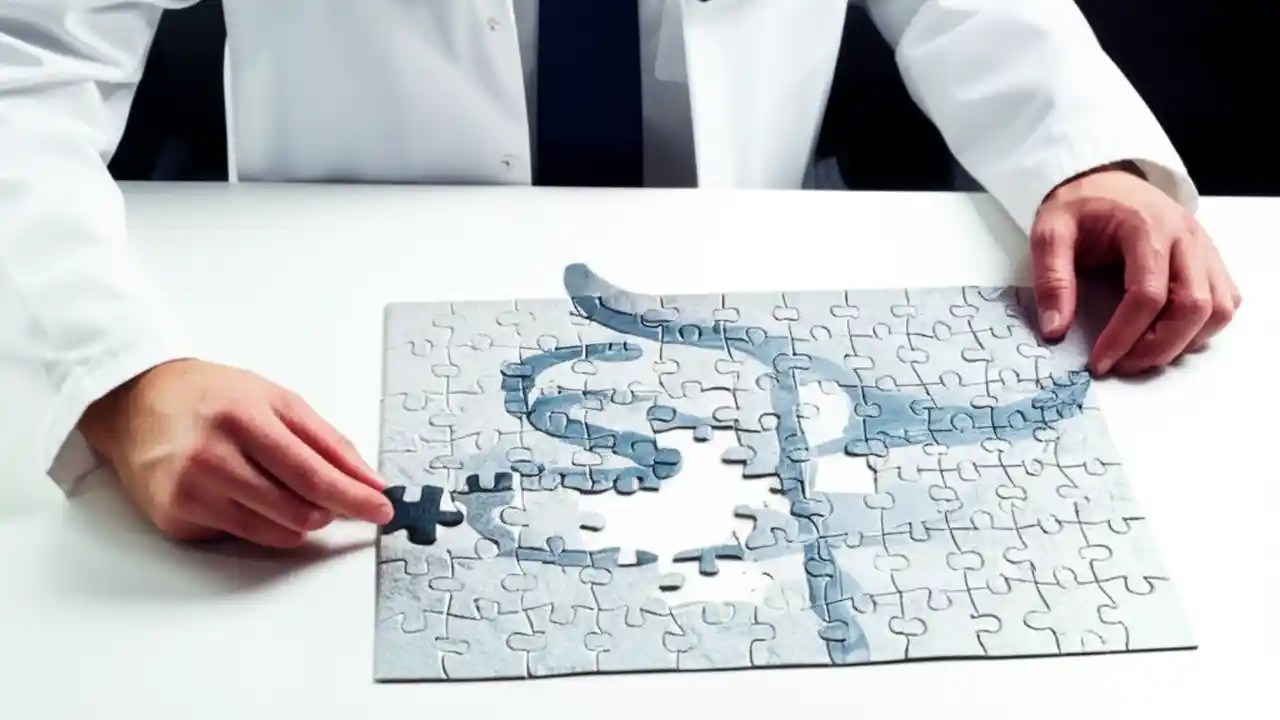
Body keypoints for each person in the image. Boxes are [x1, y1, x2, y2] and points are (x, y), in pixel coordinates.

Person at [0, 0, 1240, 550]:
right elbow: (25, 62)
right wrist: (116, 376)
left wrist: (1087, 158)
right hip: (329, 349)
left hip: (739, 305)